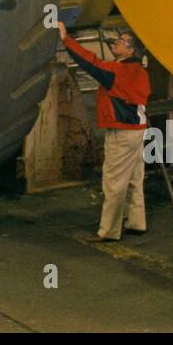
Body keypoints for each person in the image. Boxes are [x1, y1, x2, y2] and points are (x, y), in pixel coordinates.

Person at [58, 22, 151, 240]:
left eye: (122, 41)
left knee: (114, 182)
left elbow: (91, 63)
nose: (116, 42)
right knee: (134, 178)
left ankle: (108, 231)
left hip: (122, 132)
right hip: (138, 131)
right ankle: (137, 222)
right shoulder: (139, 70)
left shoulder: (117, 72)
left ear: (130, 50)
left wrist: (66, 39)